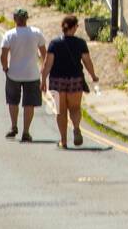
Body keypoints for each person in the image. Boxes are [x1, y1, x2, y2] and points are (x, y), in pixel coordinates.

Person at [41, 14, 99, 148]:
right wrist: (93, 76)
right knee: (75, 108)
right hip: (75, 79)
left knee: (60, 111)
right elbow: (87, 62)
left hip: (57, 81)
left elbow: (47, 64)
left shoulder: (54, 44)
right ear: (74, 28)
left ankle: (63, 140)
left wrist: (43, 80)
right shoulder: (80, 43)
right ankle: (76, 128)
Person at [0, 8, 46, 142]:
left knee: (12, 101)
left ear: (14, 19)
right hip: (32, 74)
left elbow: (3, 55)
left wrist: (5, 68)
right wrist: (43, 68)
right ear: (27, 19)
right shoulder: (36, 33)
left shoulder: (9, 35)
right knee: (29, 104)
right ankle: (26, 131)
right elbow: (44, 53)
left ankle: (14, 126)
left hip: (14, 73)